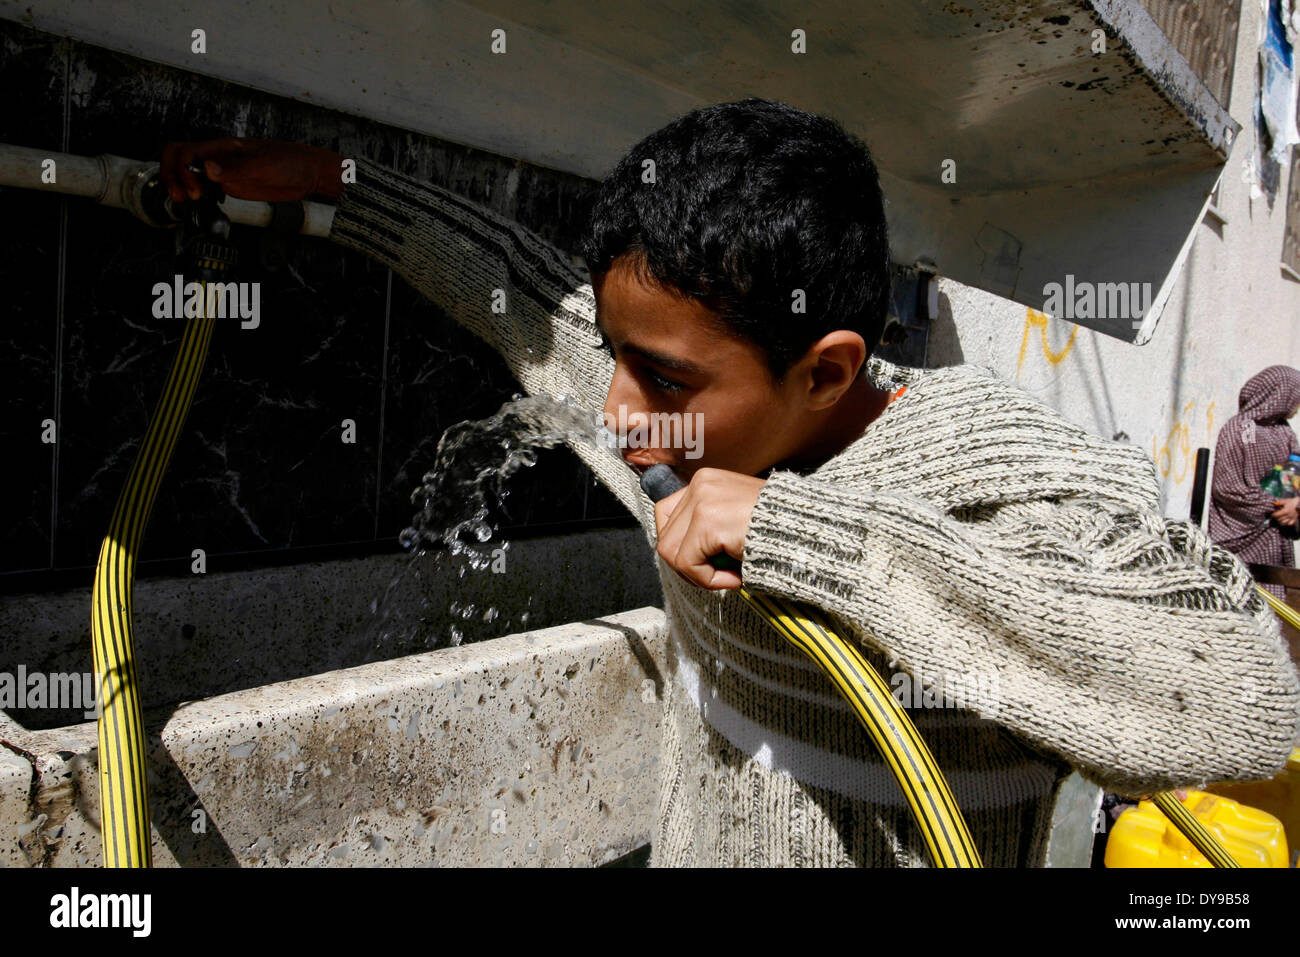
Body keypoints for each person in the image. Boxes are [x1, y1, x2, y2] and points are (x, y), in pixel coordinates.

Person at [161, 99, 1300, 867]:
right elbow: (524, 294)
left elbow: (1243, 702)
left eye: (656, 372)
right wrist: (337, 186)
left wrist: (811, 539)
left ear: (828, 369)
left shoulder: (1004, 481)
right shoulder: (683, 426)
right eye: (618, 356)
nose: (613, 409)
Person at [1208, 366, 1300, 600]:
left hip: (1276, 540)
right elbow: (1228, 489)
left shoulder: (1285, 434)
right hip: (1240, 539)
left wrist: (1294, 505)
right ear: (1279, 395)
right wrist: (1278, 505)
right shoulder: (1236, 430)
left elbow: (1292, 476)